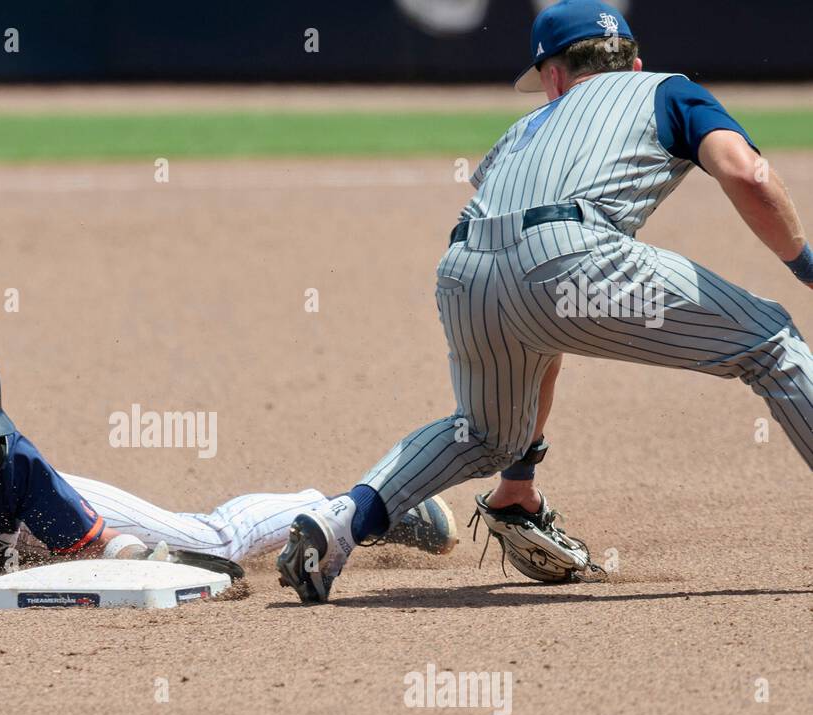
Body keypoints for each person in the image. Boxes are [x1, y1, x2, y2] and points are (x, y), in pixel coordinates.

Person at [0, 166, 459, 610]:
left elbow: (105, 543)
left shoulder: (13, 466)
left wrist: (151, 564)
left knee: (214, 538)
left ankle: (354, 510)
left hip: (22, 531)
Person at [277, 0, 813, 603]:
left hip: (464, 270)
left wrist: (520, 473)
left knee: (483, 434)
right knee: (771, 344)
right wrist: (803, 262)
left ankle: (342, 522)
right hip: (571, 253)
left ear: (553, 76)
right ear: (635, 62)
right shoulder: (669, 90)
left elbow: (538, 309)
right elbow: (749, 175)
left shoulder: (523, 131)